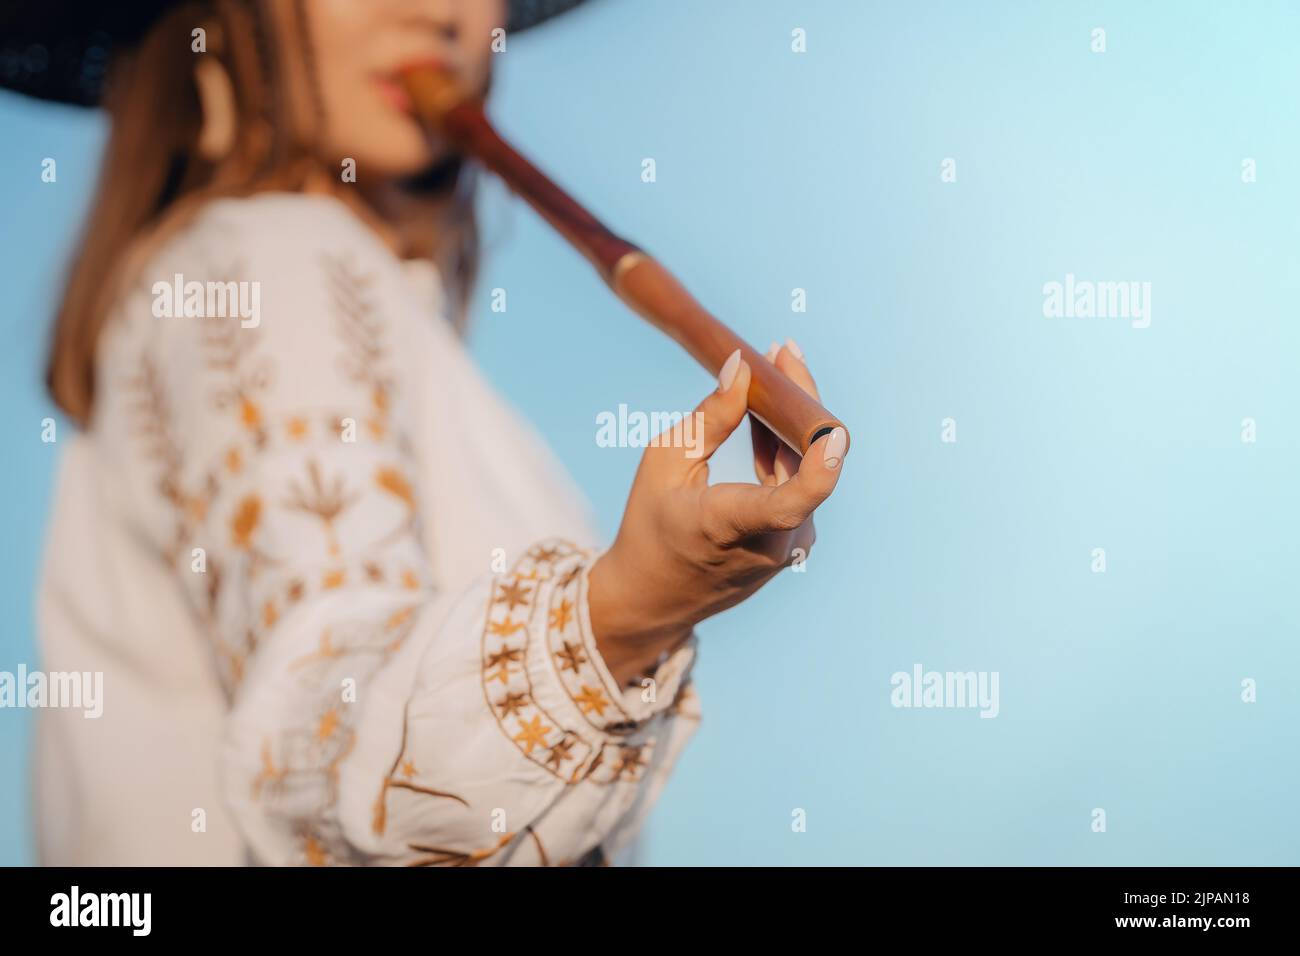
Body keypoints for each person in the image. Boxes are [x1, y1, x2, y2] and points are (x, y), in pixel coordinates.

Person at [4, 0, 847, 866]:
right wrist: (625, 614)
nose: (436, 9)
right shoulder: (265, 260)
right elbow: (323, 723)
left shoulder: (342, 303)